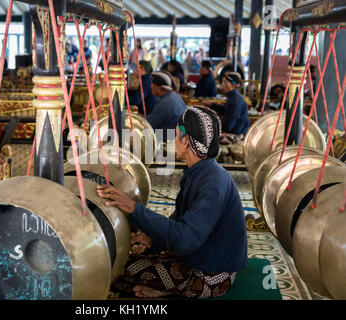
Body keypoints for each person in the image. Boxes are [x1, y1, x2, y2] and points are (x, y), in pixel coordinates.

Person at [97, 106, 248, 299]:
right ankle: (168, 289)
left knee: (119, 272)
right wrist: (151, 240)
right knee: (125, 258)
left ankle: (170, 291)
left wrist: (135, 209)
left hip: (213, 274)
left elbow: (186, 238)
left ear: (186, 142)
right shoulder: (199, 172)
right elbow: (179, 222)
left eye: (176, 136)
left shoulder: (213, 183)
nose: (173, 140)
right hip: (199, 256)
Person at [147, 71, 186, 141]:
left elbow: (148, 125)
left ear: (160, 88)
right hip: (179, 136)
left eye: (153, 84)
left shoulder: (164, 103)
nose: (151, 86)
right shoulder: (176, 96)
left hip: (168, 140)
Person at [208, 72, 250, 137]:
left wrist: (213, 128)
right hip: (234, 130)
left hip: (236, 134)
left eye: (225, 82)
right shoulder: (232, 96)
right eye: (222, 82)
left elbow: (229, 125)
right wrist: (211, 105)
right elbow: (226, 110)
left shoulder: (235, 100)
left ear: (233, 84)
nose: (222, 84)